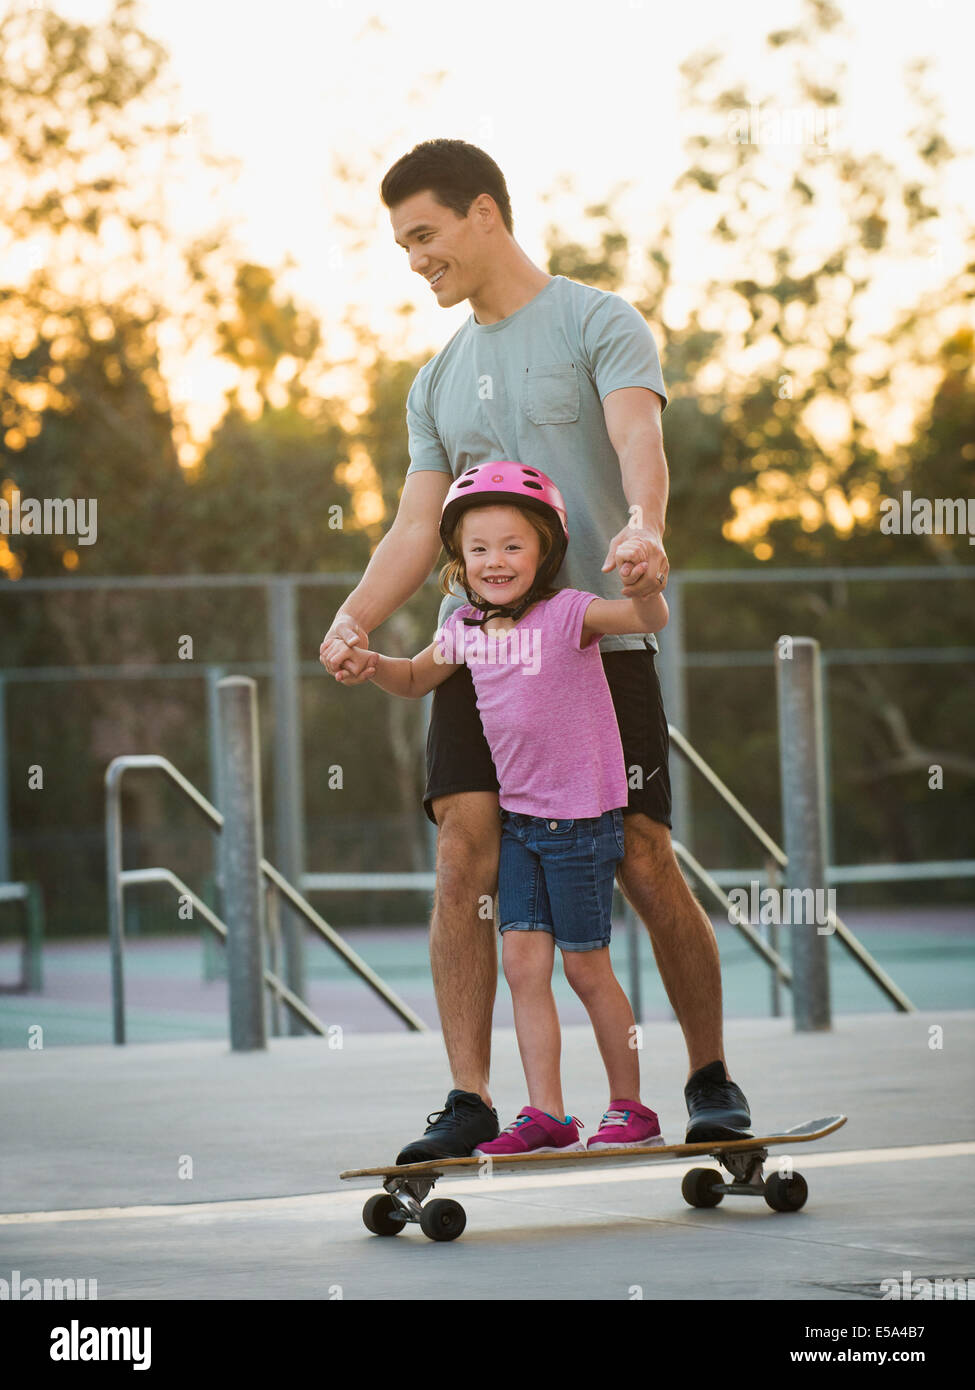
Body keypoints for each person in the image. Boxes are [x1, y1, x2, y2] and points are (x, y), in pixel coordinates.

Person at [319, 138, 751, 1162]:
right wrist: (354, 617)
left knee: (644, 857)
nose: (415, 259)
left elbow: (639, 442)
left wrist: (643, 526)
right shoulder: (436, 380)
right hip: (483, 655)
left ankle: (708, 1079)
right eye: (401, 245)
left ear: (484, 214)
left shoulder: (596, 321)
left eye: (424, 235)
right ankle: (471, 1097)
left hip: (594, 645)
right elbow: (417, 527)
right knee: (463, 849)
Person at [334, 462, 669, 1154]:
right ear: (458, 559)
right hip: (520, 825)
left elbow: (641, 617)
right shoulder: (462, 628)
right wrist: (370, 664)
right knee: (521, 966)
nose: (495, 561)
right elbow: (415, 677)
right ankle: (546, 1112)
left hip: (581, 823)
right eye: (478, 548)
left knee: (585, 968)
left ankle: (630, 1107)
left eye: (512, 546)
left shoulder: (570, 614)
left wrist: (646, 582)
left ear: (545, 550)